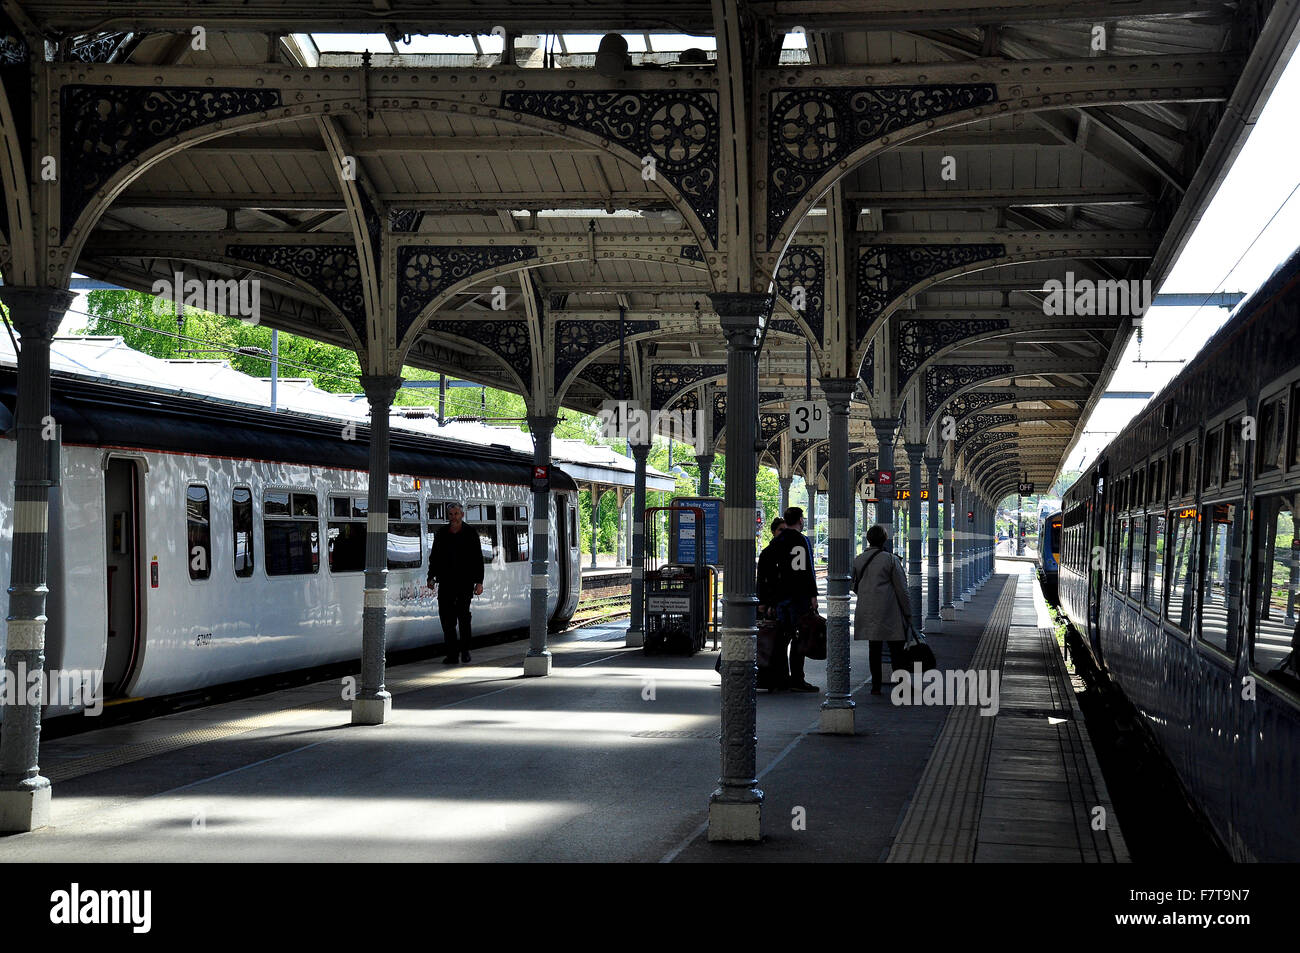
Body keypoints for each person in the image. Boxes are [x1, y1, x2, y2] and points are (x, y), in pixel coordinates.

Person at [765, 506, 819, 693]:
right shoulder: (802, 540)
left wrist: (770, 600)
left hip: (781, 597)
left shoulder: (777, 541)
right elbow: (807, 570)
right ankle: (797, 679)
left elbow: (770, 572)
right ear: (801, 520)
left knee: (782, 638)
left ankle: (781, 677)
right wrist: (813, 595)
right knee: (799, 637)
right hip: (799, 597)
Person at [852, 524, 910, 695]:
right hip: (889, 610)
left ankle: (875, 686)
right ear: (885, 539)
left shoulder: (859, 559)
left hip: (868, 610)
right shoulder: (891, 560)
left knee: (874, 648)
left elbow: (854, 586)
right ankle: (901, 686)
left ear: (868, 539)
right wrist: (908, 613)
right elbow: (902, 589)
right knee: (896, 649)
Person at [426, 502, 485, 664]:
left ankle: (465, 651)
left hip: (465, 583)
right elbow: (435, 558)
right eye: (451, 514)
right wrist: (431, 577)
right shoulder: (442, 533)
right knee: (447, 620)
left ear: (462, 515)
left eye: (456, 514)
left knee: (464, 618)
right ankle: (452, 654)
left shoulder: (470, 533)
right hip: (446, 583)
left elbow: (478, 559)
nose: (454, 517)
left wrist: (479, 582)